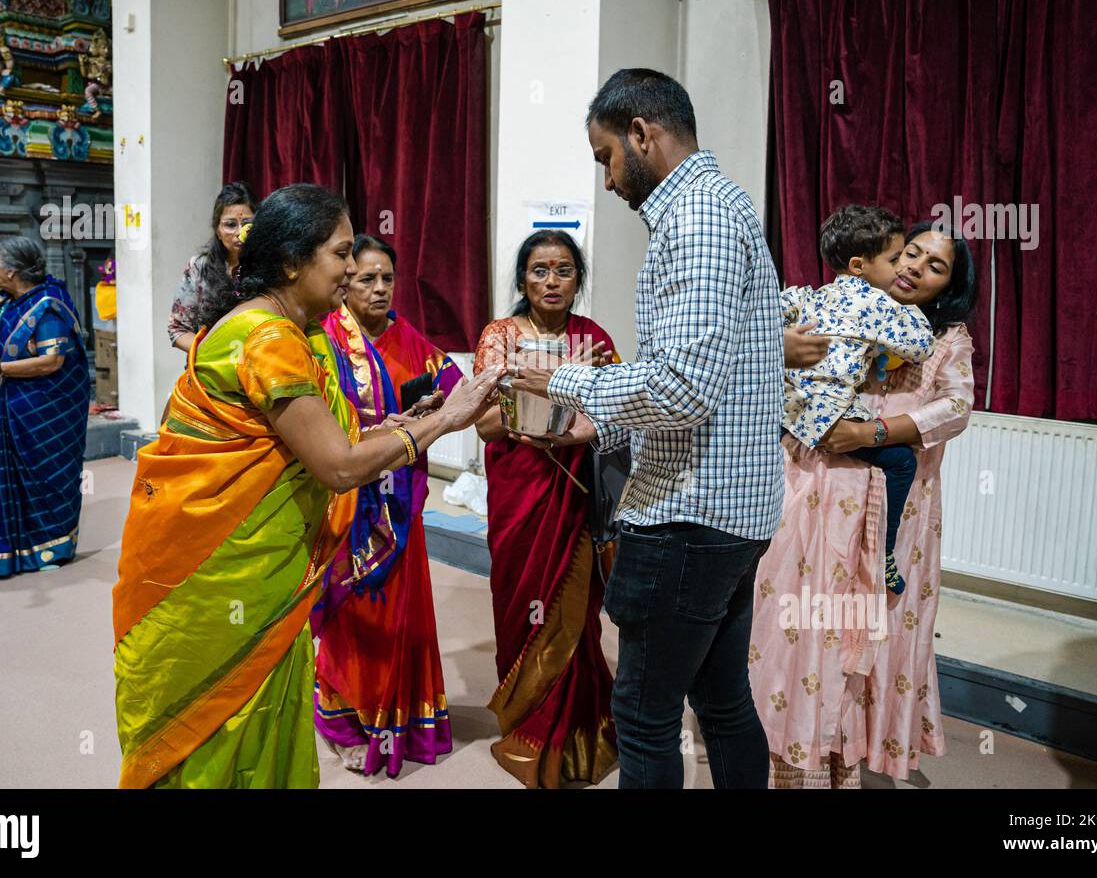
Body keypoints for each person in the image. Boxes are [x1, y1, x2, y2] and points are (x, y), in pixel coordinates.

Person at [112, 184, 499, 789]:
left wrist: (395, 422)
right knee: (221, 714)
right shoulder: (267, 340)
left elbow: (323, 431)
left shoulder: (301, 331)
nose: (353, 271)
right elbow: (339, 467)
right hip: (218, 569)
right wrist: (445, 419)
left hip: (266, 570)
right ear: (293, 261)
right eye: (343, 255)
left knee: (267, 704)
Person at [510, 69, 785, 789]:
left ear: (641, 133)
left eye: (604, 157)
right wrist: (600, 429)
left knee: (642, 713)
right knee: (722, 700)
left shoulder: (698, 219)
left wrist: (562, 380)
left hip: (690, 517)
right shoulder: (719, 208)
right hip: (730, 509)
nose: (606, 180)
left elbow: (682, 387)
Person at [750, 220, 977, 788]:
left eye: (934, 266)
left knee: (867, 634)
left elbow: (956, 409)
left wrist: (873, 434)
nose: (914, 267)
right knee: (798, 624)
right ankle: (789, 751)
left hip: (892, 514)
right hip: (811, 487)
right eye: (911, 252)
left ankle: (842, 755)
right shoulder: (840, 308)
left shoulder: (946, 339)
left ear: (947, 288)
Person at [312, 235, 464, 777]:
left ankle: (397, 718)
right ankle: (344, 720)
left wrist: (433, 409)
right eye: (366, 279)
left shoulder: (409, 340)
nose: (379, 290)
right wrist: (380, 426)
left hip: (401, 502)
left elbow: (456, 391)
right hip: (348, 499)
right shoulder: (322, 341)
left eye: (387, 279)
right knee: (350, 611)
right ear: (344, 282)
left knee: (402, 612)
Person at [474, 229, 620, 788]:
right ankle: (527, 723)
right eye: (539, 270)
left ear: (578, 279)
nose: (551, 281)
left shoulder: (595, 339)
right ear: (522, 280)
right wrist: (535, 410)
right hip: (520, 492)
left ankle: (580, 731)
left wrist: (581, 403)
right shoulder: (500, 338)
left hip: (577, 495)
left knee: (574, 611)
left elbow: (619, 414)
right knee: (521, 600)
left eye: (563, 270)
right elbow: (484, 421)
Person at [781, 205, 934, 593]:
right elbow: (921, 345)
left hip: (790, 411)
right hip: (831, 417)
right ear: (858, 265)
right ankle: (885, 552)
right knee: (901, 462)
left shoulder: (815, 296)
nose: (903, 268)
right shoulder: (876, 303)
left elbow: (774, 311)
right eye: (895, 258)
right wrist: (907, 306)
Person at [0, 237, 90, 579]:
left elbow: (52, 361)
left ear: (11, 270)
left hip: (46, 414)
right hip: (8, 409)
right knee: (3, 478)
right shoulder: (6, 305)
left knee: (46, 477)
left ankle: (50, 547)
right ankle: (5, 554)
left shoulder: (47, 305)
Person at [167, 182, 256, 353]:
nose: (239, 232)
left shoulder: (266, 266)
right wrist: (216, 355)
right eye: (230, 224)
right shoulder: (200, 268)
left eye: (246, 223)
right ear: (217, 229)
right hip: (209, 370)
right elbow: (177, 328)